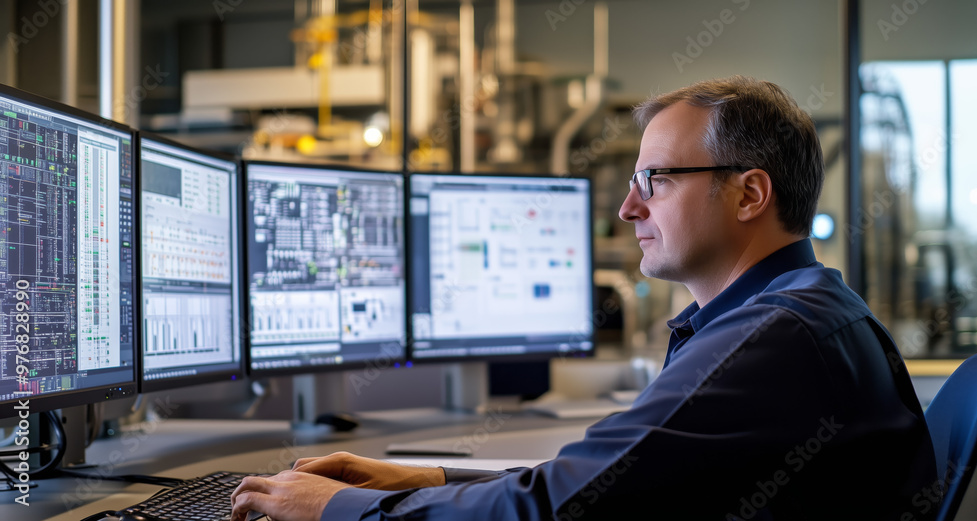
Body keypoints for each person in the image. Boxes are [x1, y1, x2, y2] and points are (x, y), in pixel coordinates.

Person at [231, 76, 940, 521]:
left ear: (750, 192)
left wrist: (345, 508)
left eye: (655, 179)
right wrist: (424, 477)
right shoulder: (794, 310)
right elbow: (611, 481)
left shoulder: (772, 338)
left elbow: (556, 507)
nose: (628, 207)